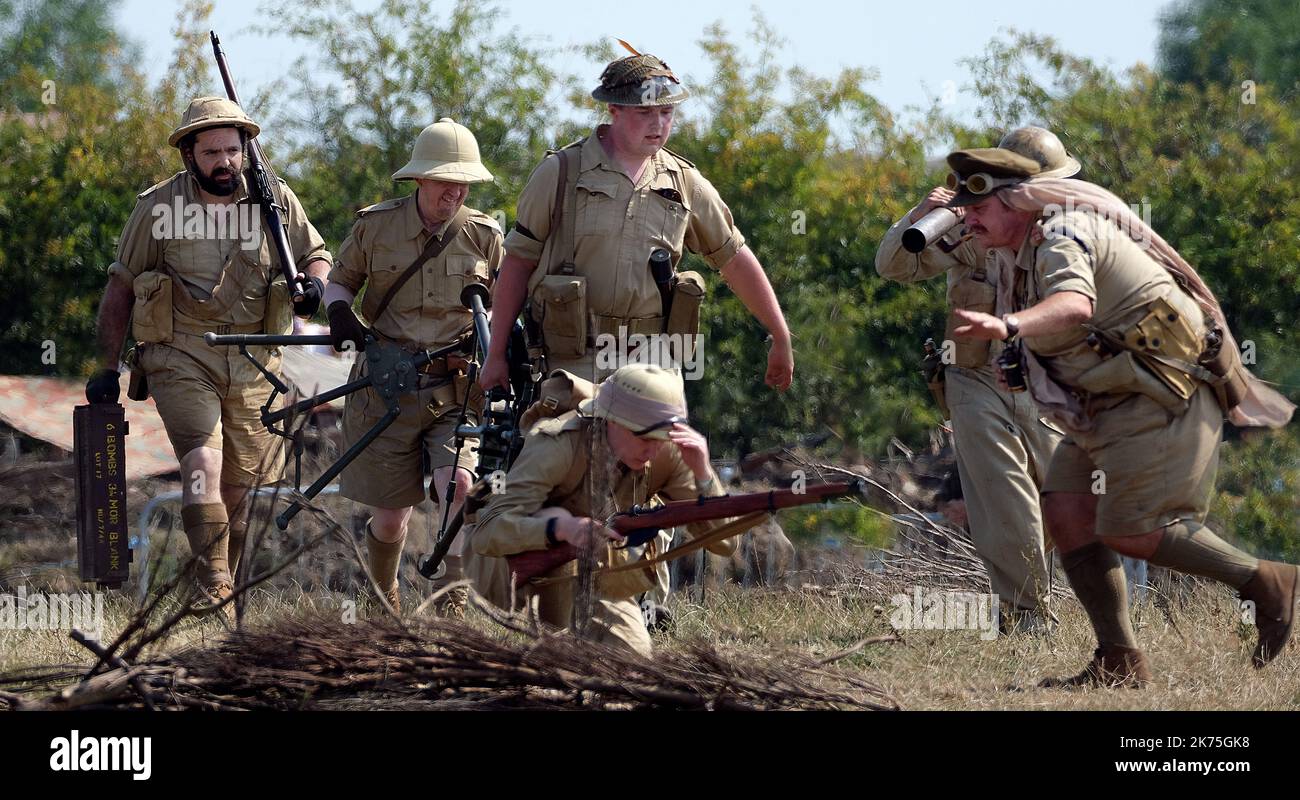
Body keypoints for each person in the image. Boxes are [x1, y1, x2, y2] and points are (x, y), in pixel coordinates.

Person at [948, 141, 1297, 685]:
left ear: (1018, 204)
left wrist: (1008, 328)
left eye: (979, 208)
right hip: (1111, 404)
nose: (968, 220)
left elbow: (1075, 306)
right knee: (1066, 510)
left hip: (1164, 396)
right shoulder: (1014, 255)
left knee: (1132, 532)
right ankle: (1119, 660)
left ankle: (1266, 580)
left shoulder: (1061, 236)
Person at [85, 97, 331, 617]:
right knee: (201, 457)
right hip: (182, 350)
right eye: (212, 151)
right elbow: (121, 288)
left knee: (241, 491)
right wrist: (105, 367)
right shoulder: (158, 207)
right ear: (189, 156)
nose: (224, 161)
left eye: (233, 150)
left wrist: (314, 285)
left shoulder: (276, 199)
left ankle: (219, 588)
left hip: (255, 357)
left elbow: (316, 254)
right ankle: (215, 584)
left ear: (246, 151)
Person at [478, 50, 793, 391]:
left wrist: (779, 333)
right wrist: (496, 355)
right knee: (550, 445)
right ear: (614, 109)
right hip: (569, 362)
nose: (657, 125)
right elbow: (519, 261)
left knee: (670, 445)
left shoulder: (684, 182)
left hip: (652, 365)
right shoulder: (561, 173)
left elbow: (733, 258)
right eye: (644, 113)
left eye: (666, 112)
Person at [875, 127, 1072, 633]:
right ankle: (1027, 616)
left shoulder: (1073, 234)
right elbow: (892, 266)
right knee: (1005, 494)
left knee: (1064, 500)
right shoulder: (971, 223)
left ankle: (1029, 583)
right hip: (976, 378)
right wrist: (921, 216)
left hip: (1048, 382)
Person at [323, 118, 503, 615]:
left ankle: (452, 602)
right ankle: (385, 604)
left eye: (464, 182)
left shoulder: (484, 235)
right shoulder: (375, 226)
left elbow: (508, 302)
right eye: (446, 180)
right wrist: (340, 311)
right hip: (386, 386)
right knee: (390, 517)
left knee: (460, 489)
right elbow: (339, 282)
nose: (456, 191)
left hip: (455, 388)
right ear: (420, 180)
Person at [465, 364, 740, 656]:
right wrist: (559, 529)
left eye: (662, 438)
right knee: (556, 521)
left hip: (595, 569)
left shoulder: (666, 452)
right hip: (504, 569)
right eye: (645, 437)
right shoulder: (557, 445)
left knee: (632, 656)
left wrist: (703, 475)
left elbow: (724, 543)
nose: (654, 450)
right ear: (612, 421)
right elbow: (486, 533)